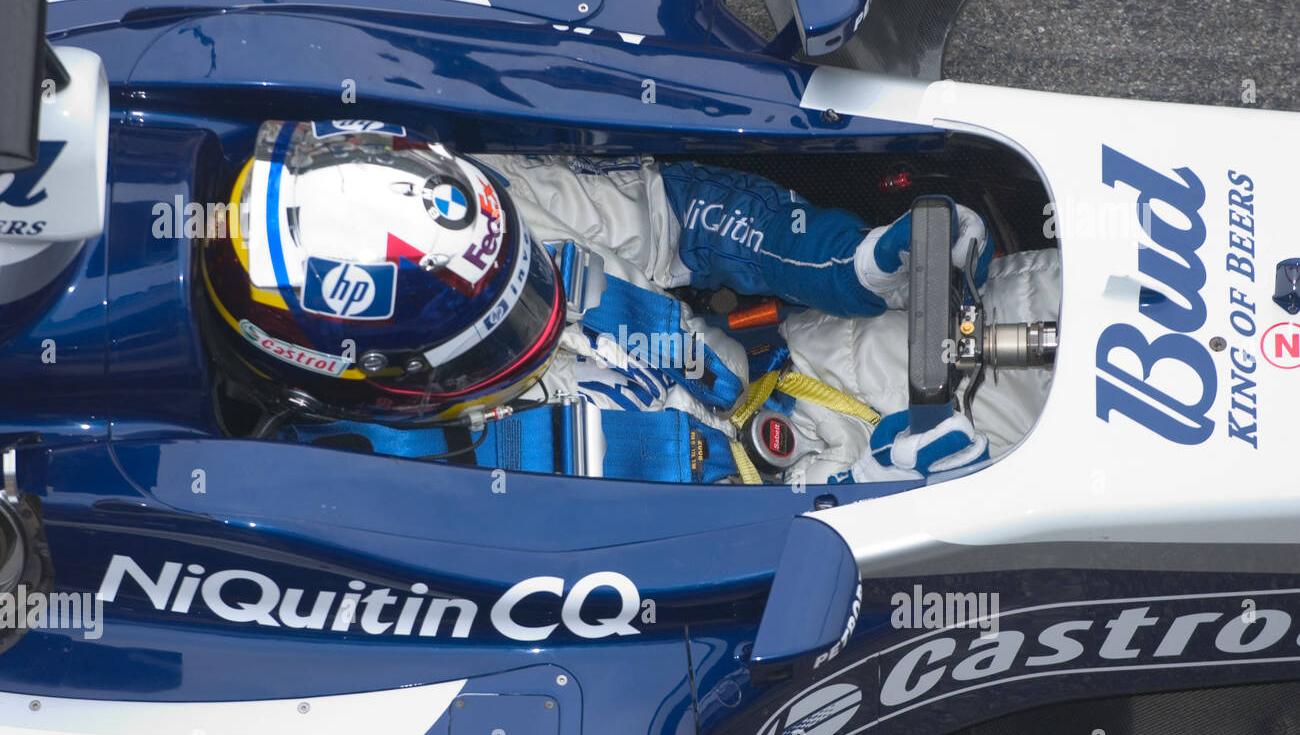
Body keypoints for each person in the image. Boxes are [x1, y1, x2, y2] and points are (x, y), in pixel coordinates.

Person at [200, 120, 1058, 484]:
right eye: (503, 334)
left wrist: (848, 260)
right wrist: (880, 495)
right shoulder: (409, 497)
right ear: (383, 382)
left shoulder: (477, 208)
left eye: (528, 285)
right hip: (827, 510)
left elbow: (674, 211)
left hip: (807, 358)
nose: (543, 317)